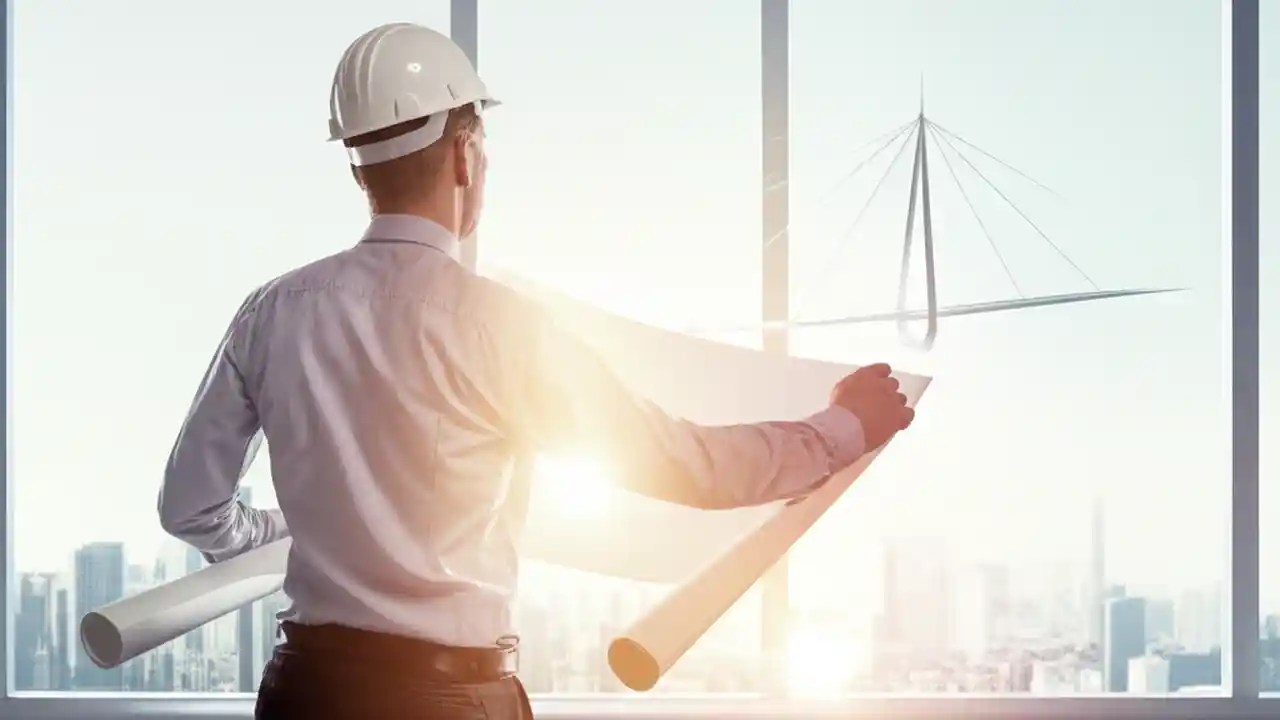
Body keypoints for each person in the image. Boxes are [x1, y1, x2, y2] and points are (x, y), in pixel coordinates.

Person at [157, 21, 915, 720]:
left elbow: (190, 507)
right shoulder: (500, 326)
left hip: (305, 695)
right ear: (465, 153)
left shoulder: (274, 310)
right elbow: (687, 467)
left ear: (360, 173)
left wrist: (302, 528)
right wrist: (841, 427)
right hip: (447, 700)